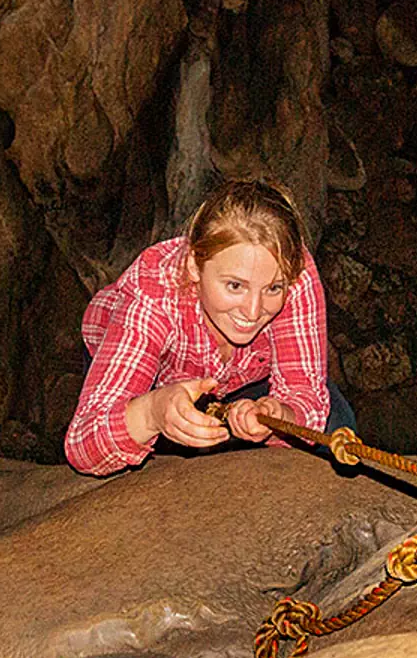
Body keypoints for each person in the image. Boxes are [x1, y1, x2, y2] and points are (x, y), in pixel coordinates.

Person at [64, 179, 357, 476]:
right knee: (142, 458)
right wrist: (152, 412)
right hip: (151, 376)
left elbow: (303, 390)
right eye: (235, 285)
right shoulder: (153, 295)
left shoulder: (293, 271)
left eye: (272, 289)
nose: (253, 311)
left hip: (241, 380)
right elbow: (83, 442)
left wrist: (279, 415)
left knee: (335, 426)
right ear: (194, 265)